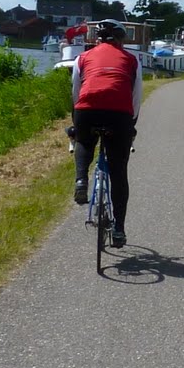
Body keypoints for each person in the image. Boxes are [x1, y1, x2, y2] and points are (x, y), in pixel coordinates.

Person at [70, 19, 143, 248]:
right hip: (119, 115)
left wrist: (78, 122)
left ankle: (81, 180)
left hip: (87, 110)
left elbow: (76, 92)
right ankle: (119, 230)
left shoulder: (82, 58)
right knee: (118, 172)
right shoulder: (131, 60)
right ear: (121, 39)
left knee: (84, 141)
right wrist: (131, 124)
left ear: (97, 39)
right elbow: (136, 97)